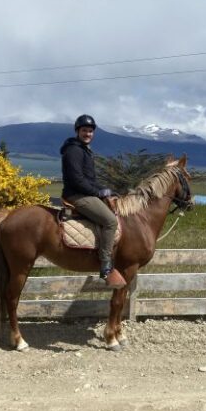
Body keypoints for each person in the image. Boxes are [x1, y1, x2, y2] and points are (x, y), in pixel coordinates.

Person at [60, 114, 126, 288]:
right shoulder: (74, 151)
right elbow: (77, 180)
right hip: (77, 195)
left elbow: (90, 179)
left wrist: (106, 190)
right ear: (77, 131)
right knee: (110, 221)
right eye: (84, 130)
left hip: (84, 193)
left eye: (90, 131)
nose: (88, 134)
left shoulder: (84, 150)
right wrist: (97, 192)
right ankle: (105, 265)